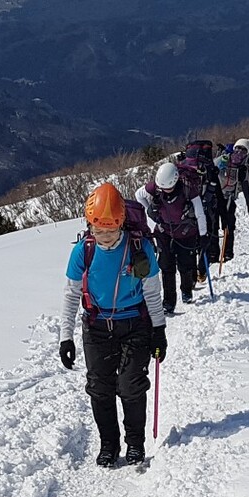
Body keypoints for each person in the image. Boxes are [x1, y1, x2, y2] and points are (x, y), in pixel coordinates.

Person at [59, 183, 167, 468]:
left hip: (134, 323)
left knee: (131, 385)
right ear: (90, 226)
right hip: (96, 326)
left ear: (121, 224)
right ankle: (109, 444)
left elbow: (153, 293)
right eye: (98, 230)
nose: (105, 237)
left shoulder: (139, 248)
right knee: (100, 388)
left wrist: (159, 331)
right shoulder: (85, 250)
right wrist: (65, 338)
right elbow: (71, 294)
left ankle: (135, 444)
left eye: (110, 230)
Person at [137, 160, 208, 307]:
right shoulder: (156, 187)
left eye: (168, 188)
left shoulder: (188, 188)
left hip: (186, 231)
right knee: (166, 266)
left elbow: (200, 212)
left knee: (185, 265)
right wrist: (151, 212)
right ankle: (169, 302)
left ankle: (186, 291)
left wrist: (203, 235)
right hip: (164, 230)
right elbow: (139, 194)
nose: (165, 191)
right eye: (162, 188)